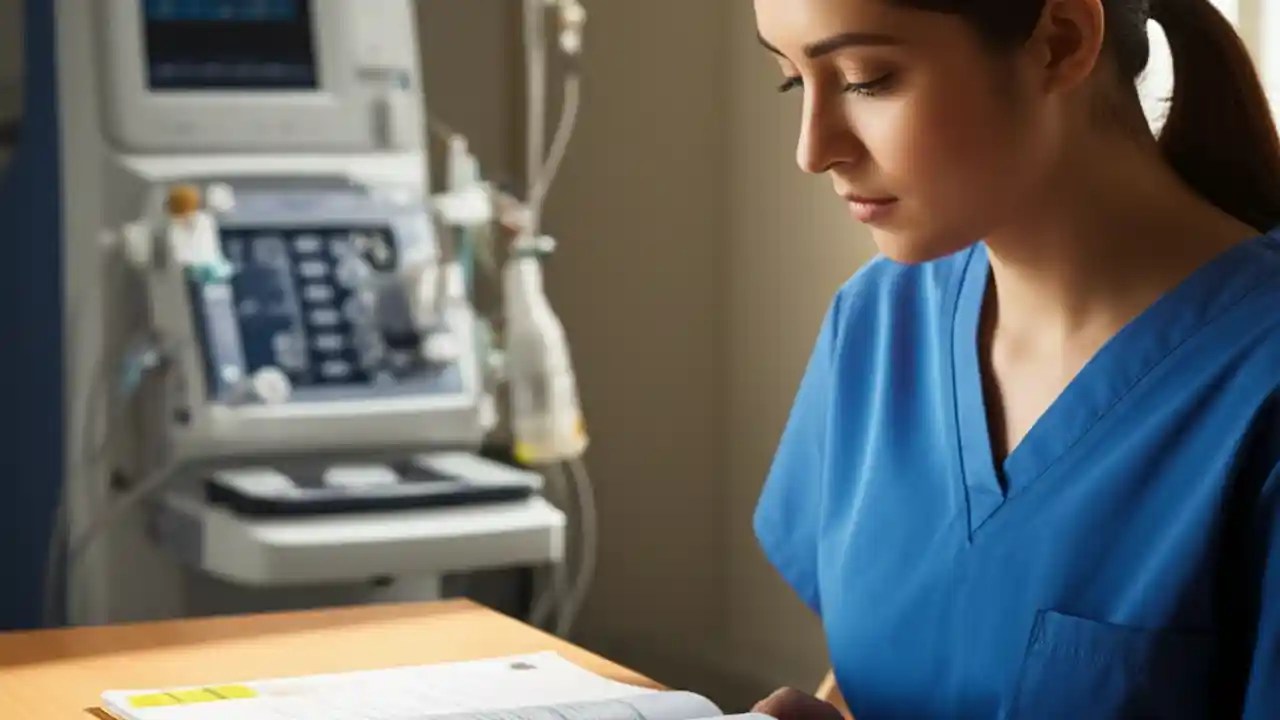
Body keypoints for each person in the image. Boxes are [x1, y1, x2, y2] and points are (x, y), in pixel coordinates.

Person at [748, 0, 1280, 718]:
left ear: (1060, 42)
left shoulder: (1257, 389)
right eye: (791, 81)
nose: (813, 150)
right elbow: (891, 674)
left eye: (867, 79)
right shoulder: (877, 324)